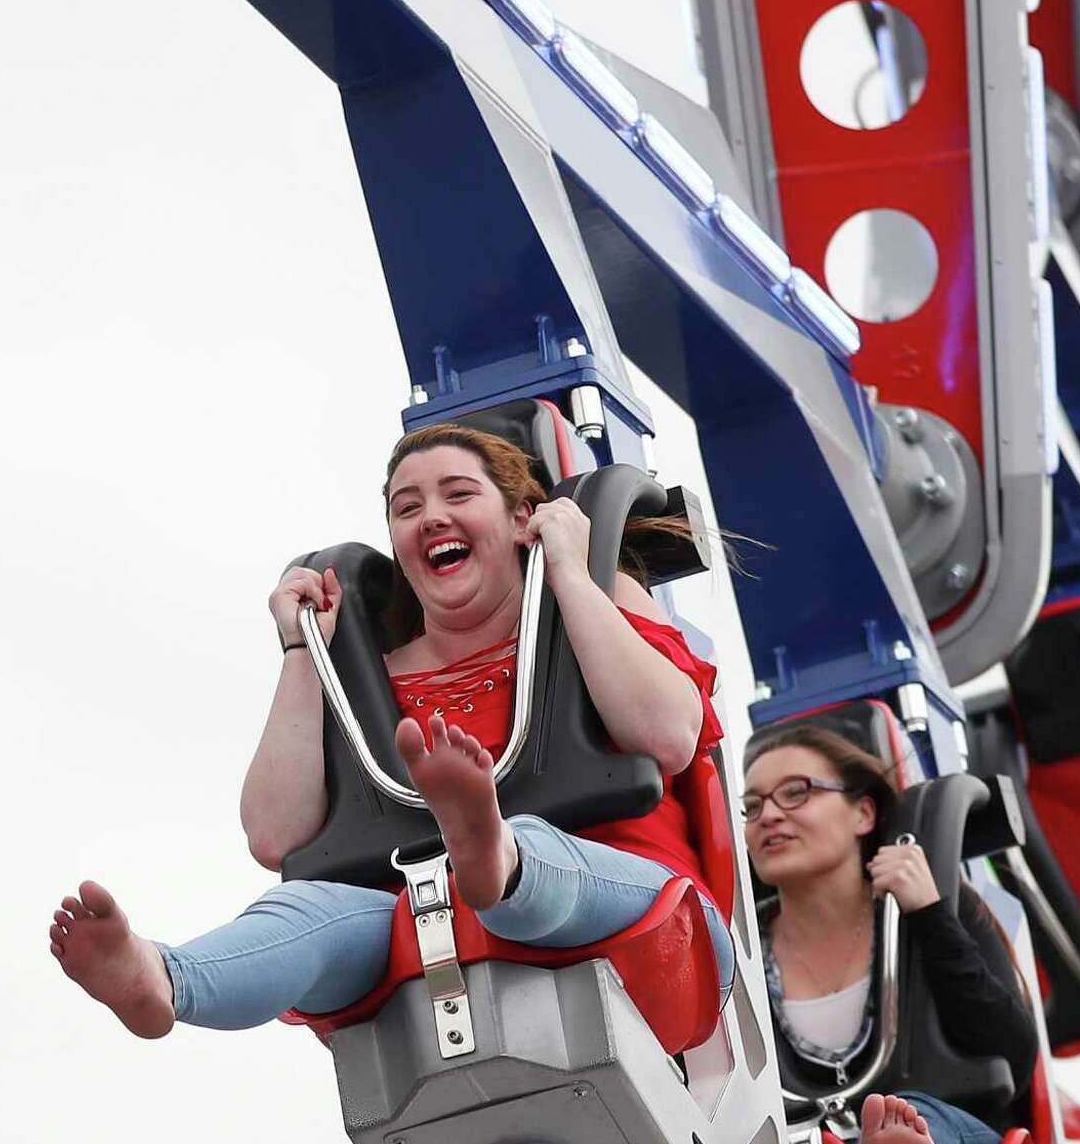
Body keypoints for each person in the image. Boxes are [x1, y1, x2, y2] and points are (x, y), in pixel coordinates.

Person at [48, 423, 733, 1039]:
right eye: (407, 508)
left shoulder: (597, 596)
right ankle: (160, 977)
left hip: (632, 900)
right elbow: (273, 836)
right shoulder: (368, 679)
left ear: (523, 516)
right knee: (303, 910)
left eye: (457, 494)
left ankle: (490, 849)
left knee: (523, 847)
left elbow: (670, 735)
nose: (431, 516)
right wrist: (302, 649)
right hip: (429, 915)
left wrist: (570, 570)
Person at [741, 721, 1038, 1144]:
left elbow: (1010, 1052)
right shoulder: (740, 948)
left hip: (953, 1129)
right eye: (752, 808)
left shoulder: (931, 909)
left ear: (864, 815)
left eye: (797, 792)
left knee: (912, 1119)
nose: (770, 816)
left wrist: (929, 914)